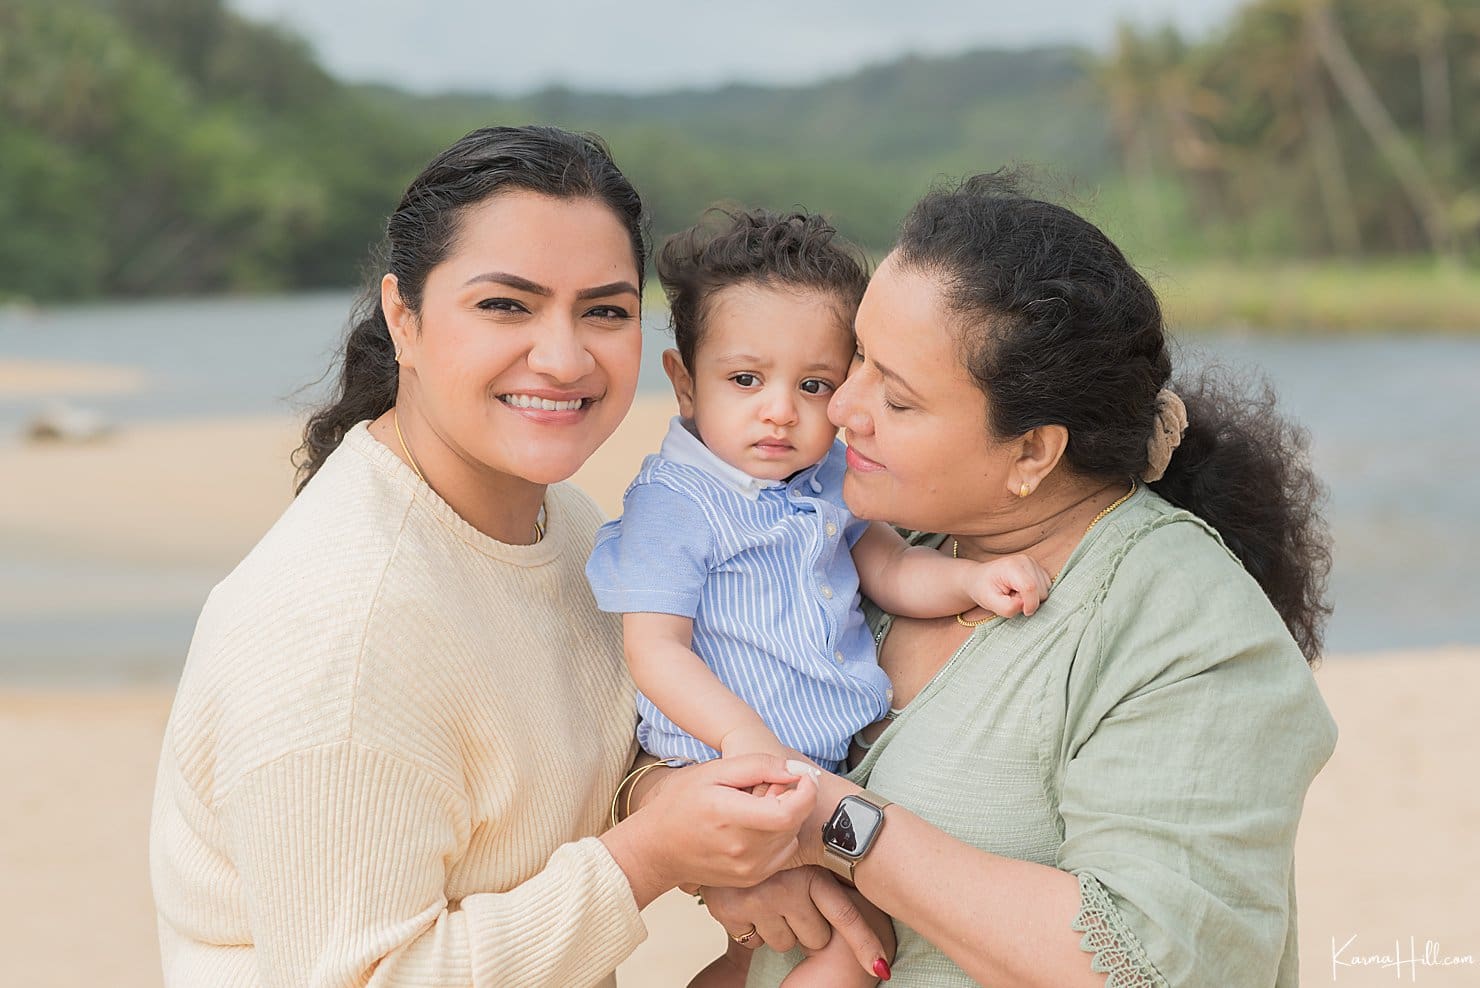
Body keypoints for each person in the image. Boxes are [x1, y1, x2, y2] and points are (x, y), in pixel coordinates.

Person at [148, 125, 827, 988]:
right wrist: (645, 859)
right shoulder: (341, 628)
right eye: (506, 304)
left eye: (605, 311)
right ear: (404, 318)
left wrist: (680, 814)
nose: (563, 356)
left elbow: (586, 758)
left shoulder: (570, 529)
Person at [663, 173, 1339, 987]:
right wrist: (712, 847)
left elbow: (1146, 963)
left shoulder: (1189, 627)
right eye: (859, 358)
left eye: (898, 398)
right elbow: (664, 704)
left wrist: (838, 826)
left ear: (1032, 453)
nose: (842, 406)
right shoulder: (866, 536)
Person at [586, 209, 1050, 987]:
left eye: (814, 385)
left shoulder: (830, 474)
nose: (780, 411)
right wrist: (743, 741)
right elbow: (653, 647)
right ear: (683, 382)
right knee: (855, 941)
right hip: (730, 760)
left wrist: (970, 580)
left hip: (817, 762)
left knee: (765, 947)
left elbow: (891, 568)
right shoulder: (679, 501)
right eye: (745, 380)